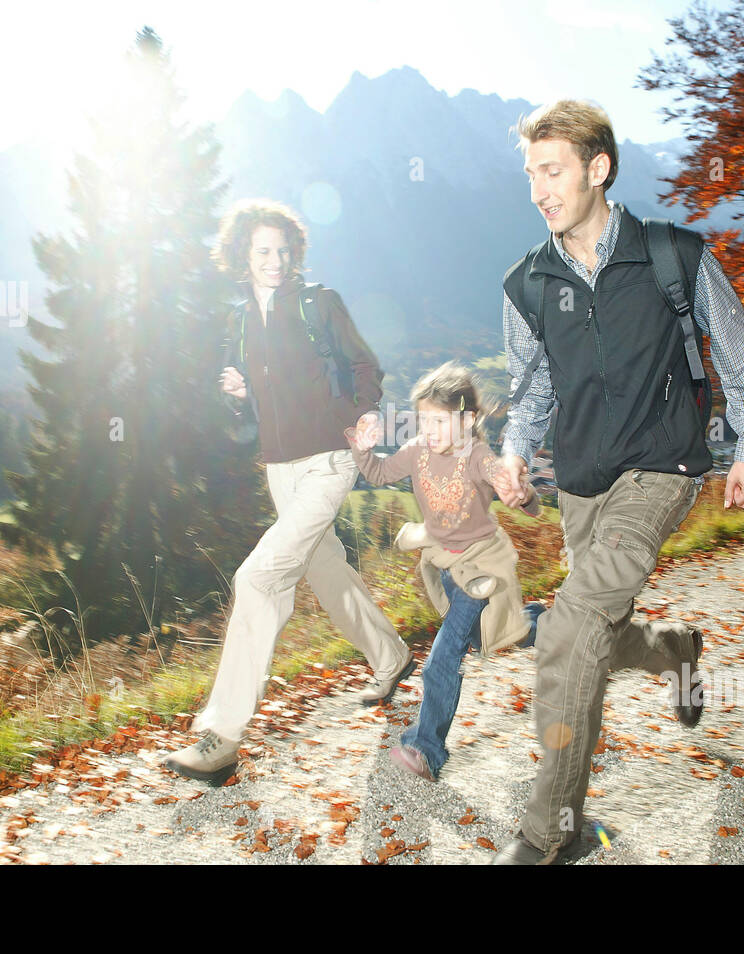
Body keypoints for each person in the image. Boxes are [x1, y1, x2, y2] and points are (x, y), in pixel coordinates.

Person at [488, 100, 744, 864]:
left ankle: (551, 832)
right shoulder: (526, 282)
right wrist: (515, 447)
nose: (538, 190)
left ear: (597, 168)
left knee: (567, 631)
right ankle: (672, 650)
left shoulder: (672, 256)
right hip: (582, 481)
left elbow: (737, 349)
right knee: (597, 637)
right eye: (530, 175)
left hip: (664, 465)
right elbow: (532, 387)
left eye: (552, 172)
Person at [164, 200, 414, 783]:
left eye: (282, 250)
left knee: (259, 578)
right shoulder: (240, 319)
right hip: (280, 467)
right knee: (326, 569)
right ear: (241, 257)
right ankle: (390, 656)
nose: (274, 261)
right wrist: (235, 388)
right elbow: (250, 396)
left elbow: (364, 366)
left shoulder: (317, 303)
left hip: (329, 459)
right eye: (262, 252)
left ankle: (220, 736)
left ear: (294, 253)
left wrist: (364, 416)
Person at [345, 362, 547, 782]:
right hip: (447, 564)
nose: (430, 429)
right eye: (424, 420)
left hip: (480, 568)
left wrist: (520, 491)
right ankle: (550, 624)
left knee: (443, 657)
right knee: (497, 633)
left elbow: (510, 485)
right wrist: (363, 449)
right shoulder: (418, 451)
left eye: (439, 421)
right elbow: (379, 472)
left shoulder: (476, 456)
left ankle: (426, 748)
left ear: (467, 421)